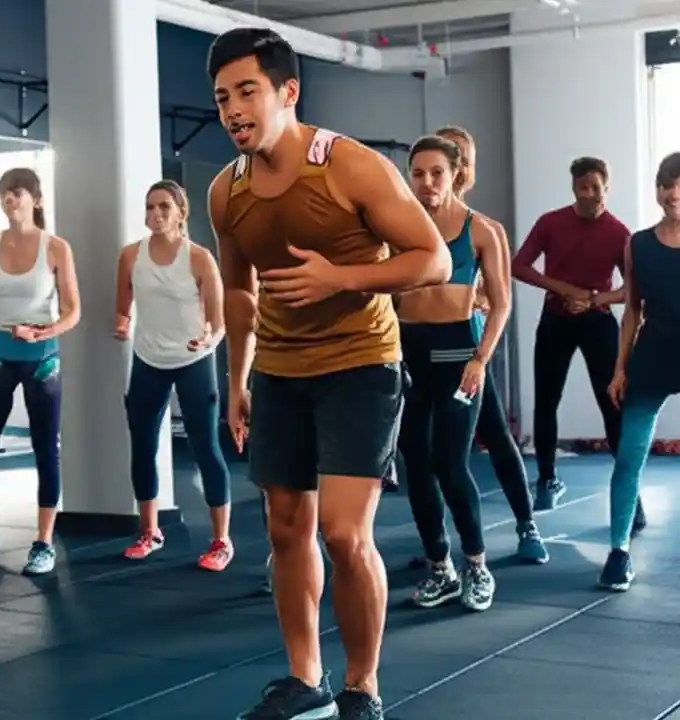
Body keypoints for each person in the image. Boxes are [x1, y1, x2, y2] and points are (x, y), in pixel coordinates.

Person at [207, 28, 451, 720]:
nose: (233, 109)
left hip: (360, 362)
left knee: (344, 533)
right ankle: (304, 680)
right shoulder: (227, 193)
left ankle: (362, 685)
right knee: (286, 529)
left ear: (288, 92)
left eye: (247, 90)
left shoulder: (349, 166)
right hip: (280, 371)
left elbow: (430, 258)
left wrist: (339, 278)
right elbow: (237, 291)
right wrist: (237, 379)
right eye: (223, 97)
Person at [397, 136, 510, 613]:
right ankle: (440, 568)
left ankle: (477, 564)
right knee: (415, 466)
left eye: (435, 173)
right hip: (409, 360)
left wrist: (481, 358)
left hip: (458, 358)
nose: (426, 183)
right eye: (417, 173)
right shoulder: (397, 229)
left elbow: (501, 302)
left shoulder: (480, 230)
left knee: (450, 463)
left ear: (456, 173)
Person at [0, 167, 81, 576]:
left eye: (19, 193)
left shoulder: (56, 247)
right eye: (5, 194)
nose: (11, 200)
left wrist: (47, 330)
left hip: (41, 353)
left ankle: (43, 541)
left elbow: (73, 310)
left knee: (46, 448)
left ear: (36, 200)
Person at [434, 126, 548, 564]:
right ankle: (437, 543)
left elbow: (498, 295)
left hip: (470, 342)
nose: (454, 162)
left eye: (459, 155)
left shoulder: (482, 229)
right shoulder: (413, 222)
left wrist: (480, 344)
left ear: (466, 167)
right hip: (425, 345)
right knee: (432, 451)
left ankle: (526, 523)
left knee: (495, 433)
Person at [114, 180, 233, 571]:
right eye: (150, 207)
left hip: (193, 360)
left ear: (181, 212)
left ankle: (220, 540)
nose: (156, 214)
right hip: (148, 360)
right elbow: (123, 305)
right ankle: (149, 532)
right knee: (142, 447)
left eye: (164, 206)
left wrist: (207, 338)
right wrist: (121, 324)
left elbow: (219, 323)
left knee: (205, 449)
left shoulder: (199, 259)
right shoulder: (131, 256)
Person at [513, 157, 635, 515]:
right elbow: (518, 265)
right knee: (546, 401)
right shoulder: (551, 223)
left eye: (597, 188)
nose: (592, 195)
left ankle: (628, 491)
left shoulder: (619, 233)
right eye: (584, 188)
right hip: (556, 318)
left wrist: (597, 298)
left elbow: (632, 288)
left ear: (607, 189)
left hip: (598, 322)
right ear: (574, 189)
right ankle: (547, 479)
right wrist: (563, 289)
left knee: (614, 404)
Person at [600, 152, 680, 591]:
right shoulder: (638, 244)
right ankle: (618, 552)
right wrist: (619, 369)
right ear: (657, 190)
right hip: (654, 352)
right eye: (667, 185)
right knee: (629, 456)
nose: (674, 194)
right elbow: (632, 310)